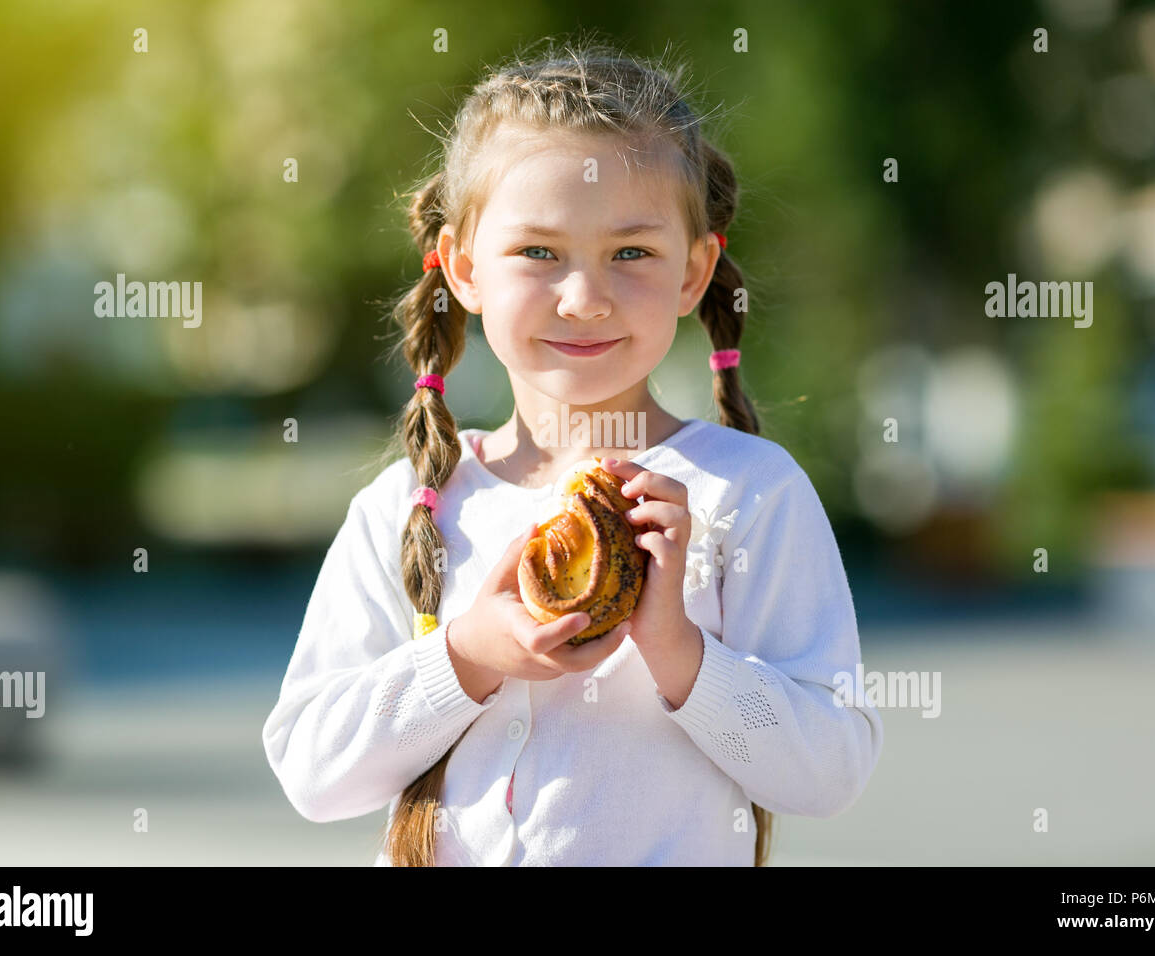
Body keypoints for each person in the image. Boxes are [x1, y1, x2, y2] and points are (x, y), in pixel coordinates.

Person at [262, 36, 883, 866]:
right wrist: (466, 657)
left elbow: (830, 770)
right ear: (462, 269)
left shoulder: (745, 493)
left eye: (632, 253)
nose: (585, 298)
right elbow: (311, 769)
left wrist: (680, 652)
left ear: (696, 273)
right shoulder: (410, 505)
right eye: (538, 253)